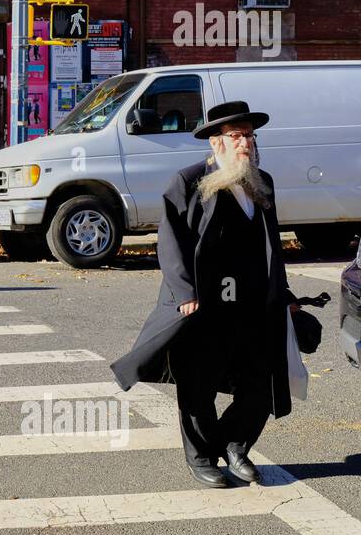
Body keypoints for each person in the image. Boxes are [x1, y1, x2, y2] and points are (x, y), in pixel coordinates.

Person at [111, 100, 302, 488]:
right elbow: (171, 241)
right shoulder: (188, 181)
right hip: (205, 304)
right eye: (236, 136)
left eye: (249, 135)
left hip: (252, 304)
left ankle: (235, 445)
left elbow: (271, 246)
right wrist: (184, 292)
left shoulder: (261, 181)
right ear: (217, 143)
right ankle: (200, 457)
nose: (245, 143)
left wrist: (284, 292)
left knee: (261, 385)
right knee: (198, 386)